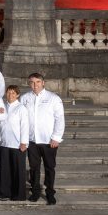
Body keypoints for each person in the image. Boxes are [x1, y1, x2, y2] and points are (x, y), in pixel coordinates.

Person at [21, 73, 65, 205]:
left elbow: (60, 119)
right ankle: (35, 192)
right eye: (32, 82)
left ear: (43, 83)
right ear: (29, 83)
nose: (35, 85)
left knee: (49, 167)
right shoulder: (25, 98)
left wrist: (56, 138)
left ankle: (50, 193)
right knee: (34, 168)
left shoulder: (53, 98)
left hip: (48, 141)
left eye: (38, 82)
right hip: (32, 140)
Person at [0, 85, 30, 202]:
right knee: (5, 170)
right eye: (8, 92)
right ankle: (5, 193)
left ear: (17, 95)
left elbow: (25, 126)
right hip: (4, 143)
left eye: (13, 93)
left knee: (18, 170)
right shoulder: (3, 106)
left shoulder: (21, 108)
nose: (10, 95)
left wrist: (24, 142)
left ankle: (19, 195)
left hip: (17, 144)